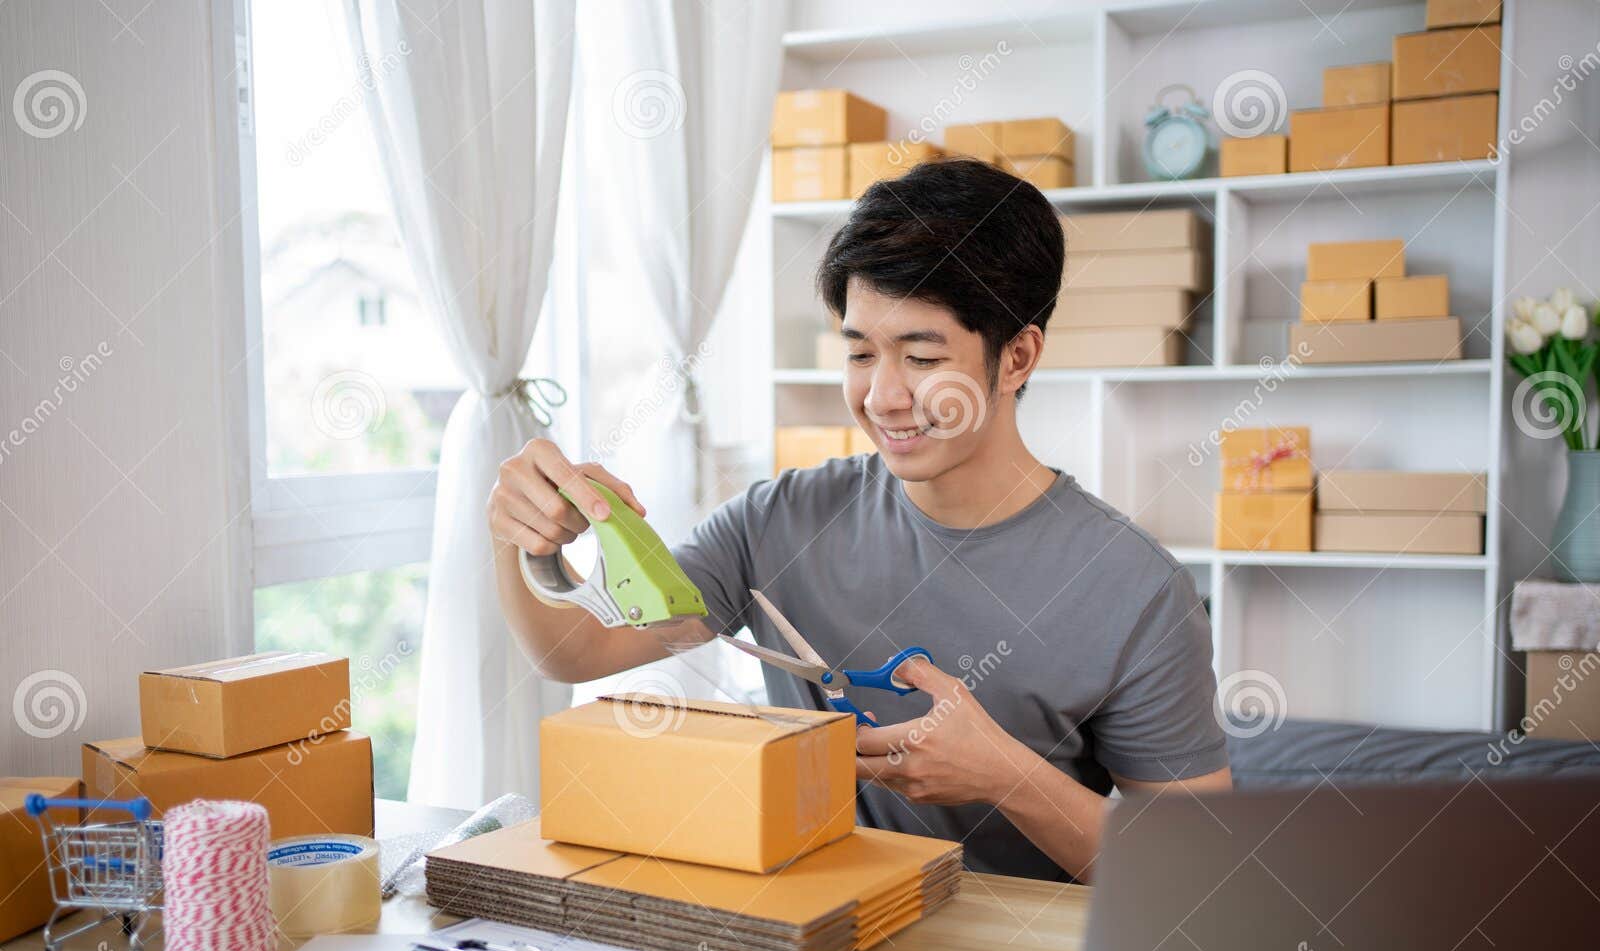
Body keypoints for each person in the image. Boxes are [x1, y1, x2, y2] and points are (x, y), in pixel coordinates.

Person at [488, 158, 1230, 882]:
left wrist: (1004, 774)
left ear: (1017, 357)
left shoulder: (1137, 591)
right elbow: (576, 651)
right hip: (808, 944)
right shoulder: (779, 520)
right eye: (861, 352)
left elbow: (1196, 880)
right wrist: (522, 541)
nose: (882, 396)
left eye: (920, 355)